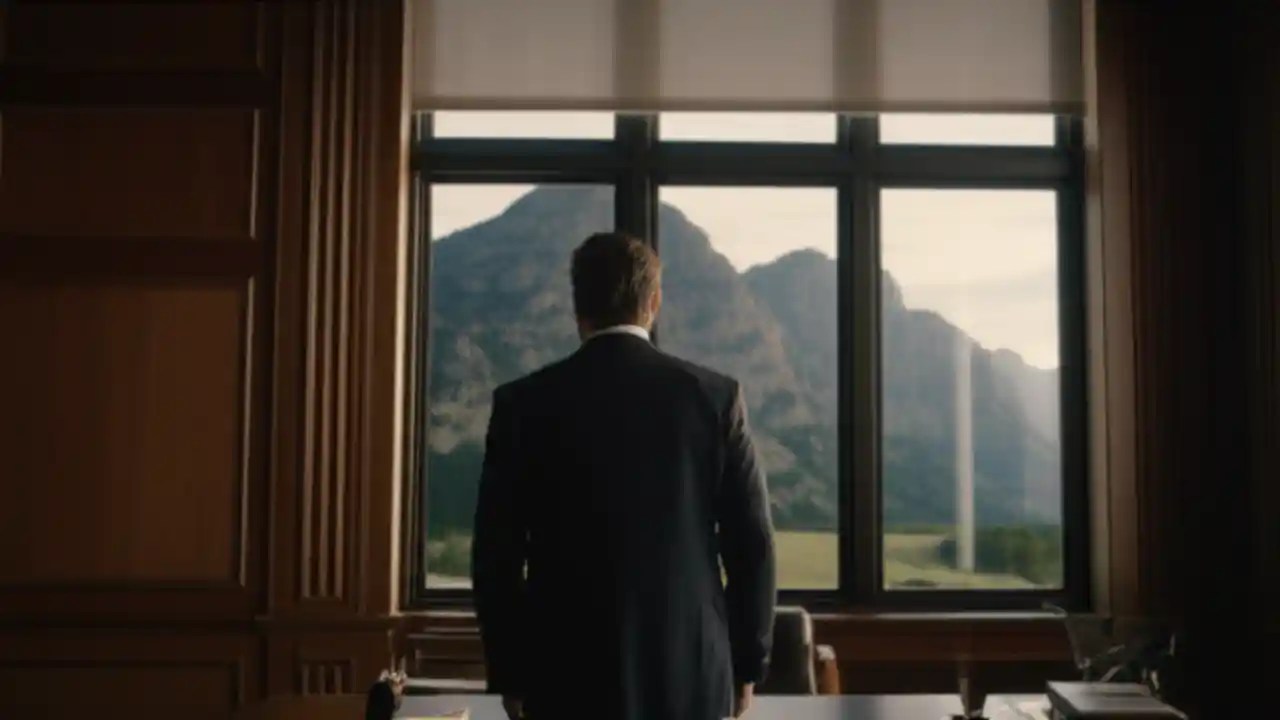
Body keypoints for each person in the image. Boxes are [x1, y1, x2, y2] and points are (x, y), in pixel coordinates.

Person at [471, 232, 777, 720]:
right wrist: (746, 665)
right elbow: (752, 545)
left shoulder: (522, 404)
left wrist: (511, 673)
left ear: (579, 309)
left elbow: (496, 556)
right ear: (653, 303)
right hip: (690, 670)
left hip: (562, 675)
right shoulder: (716, 398)